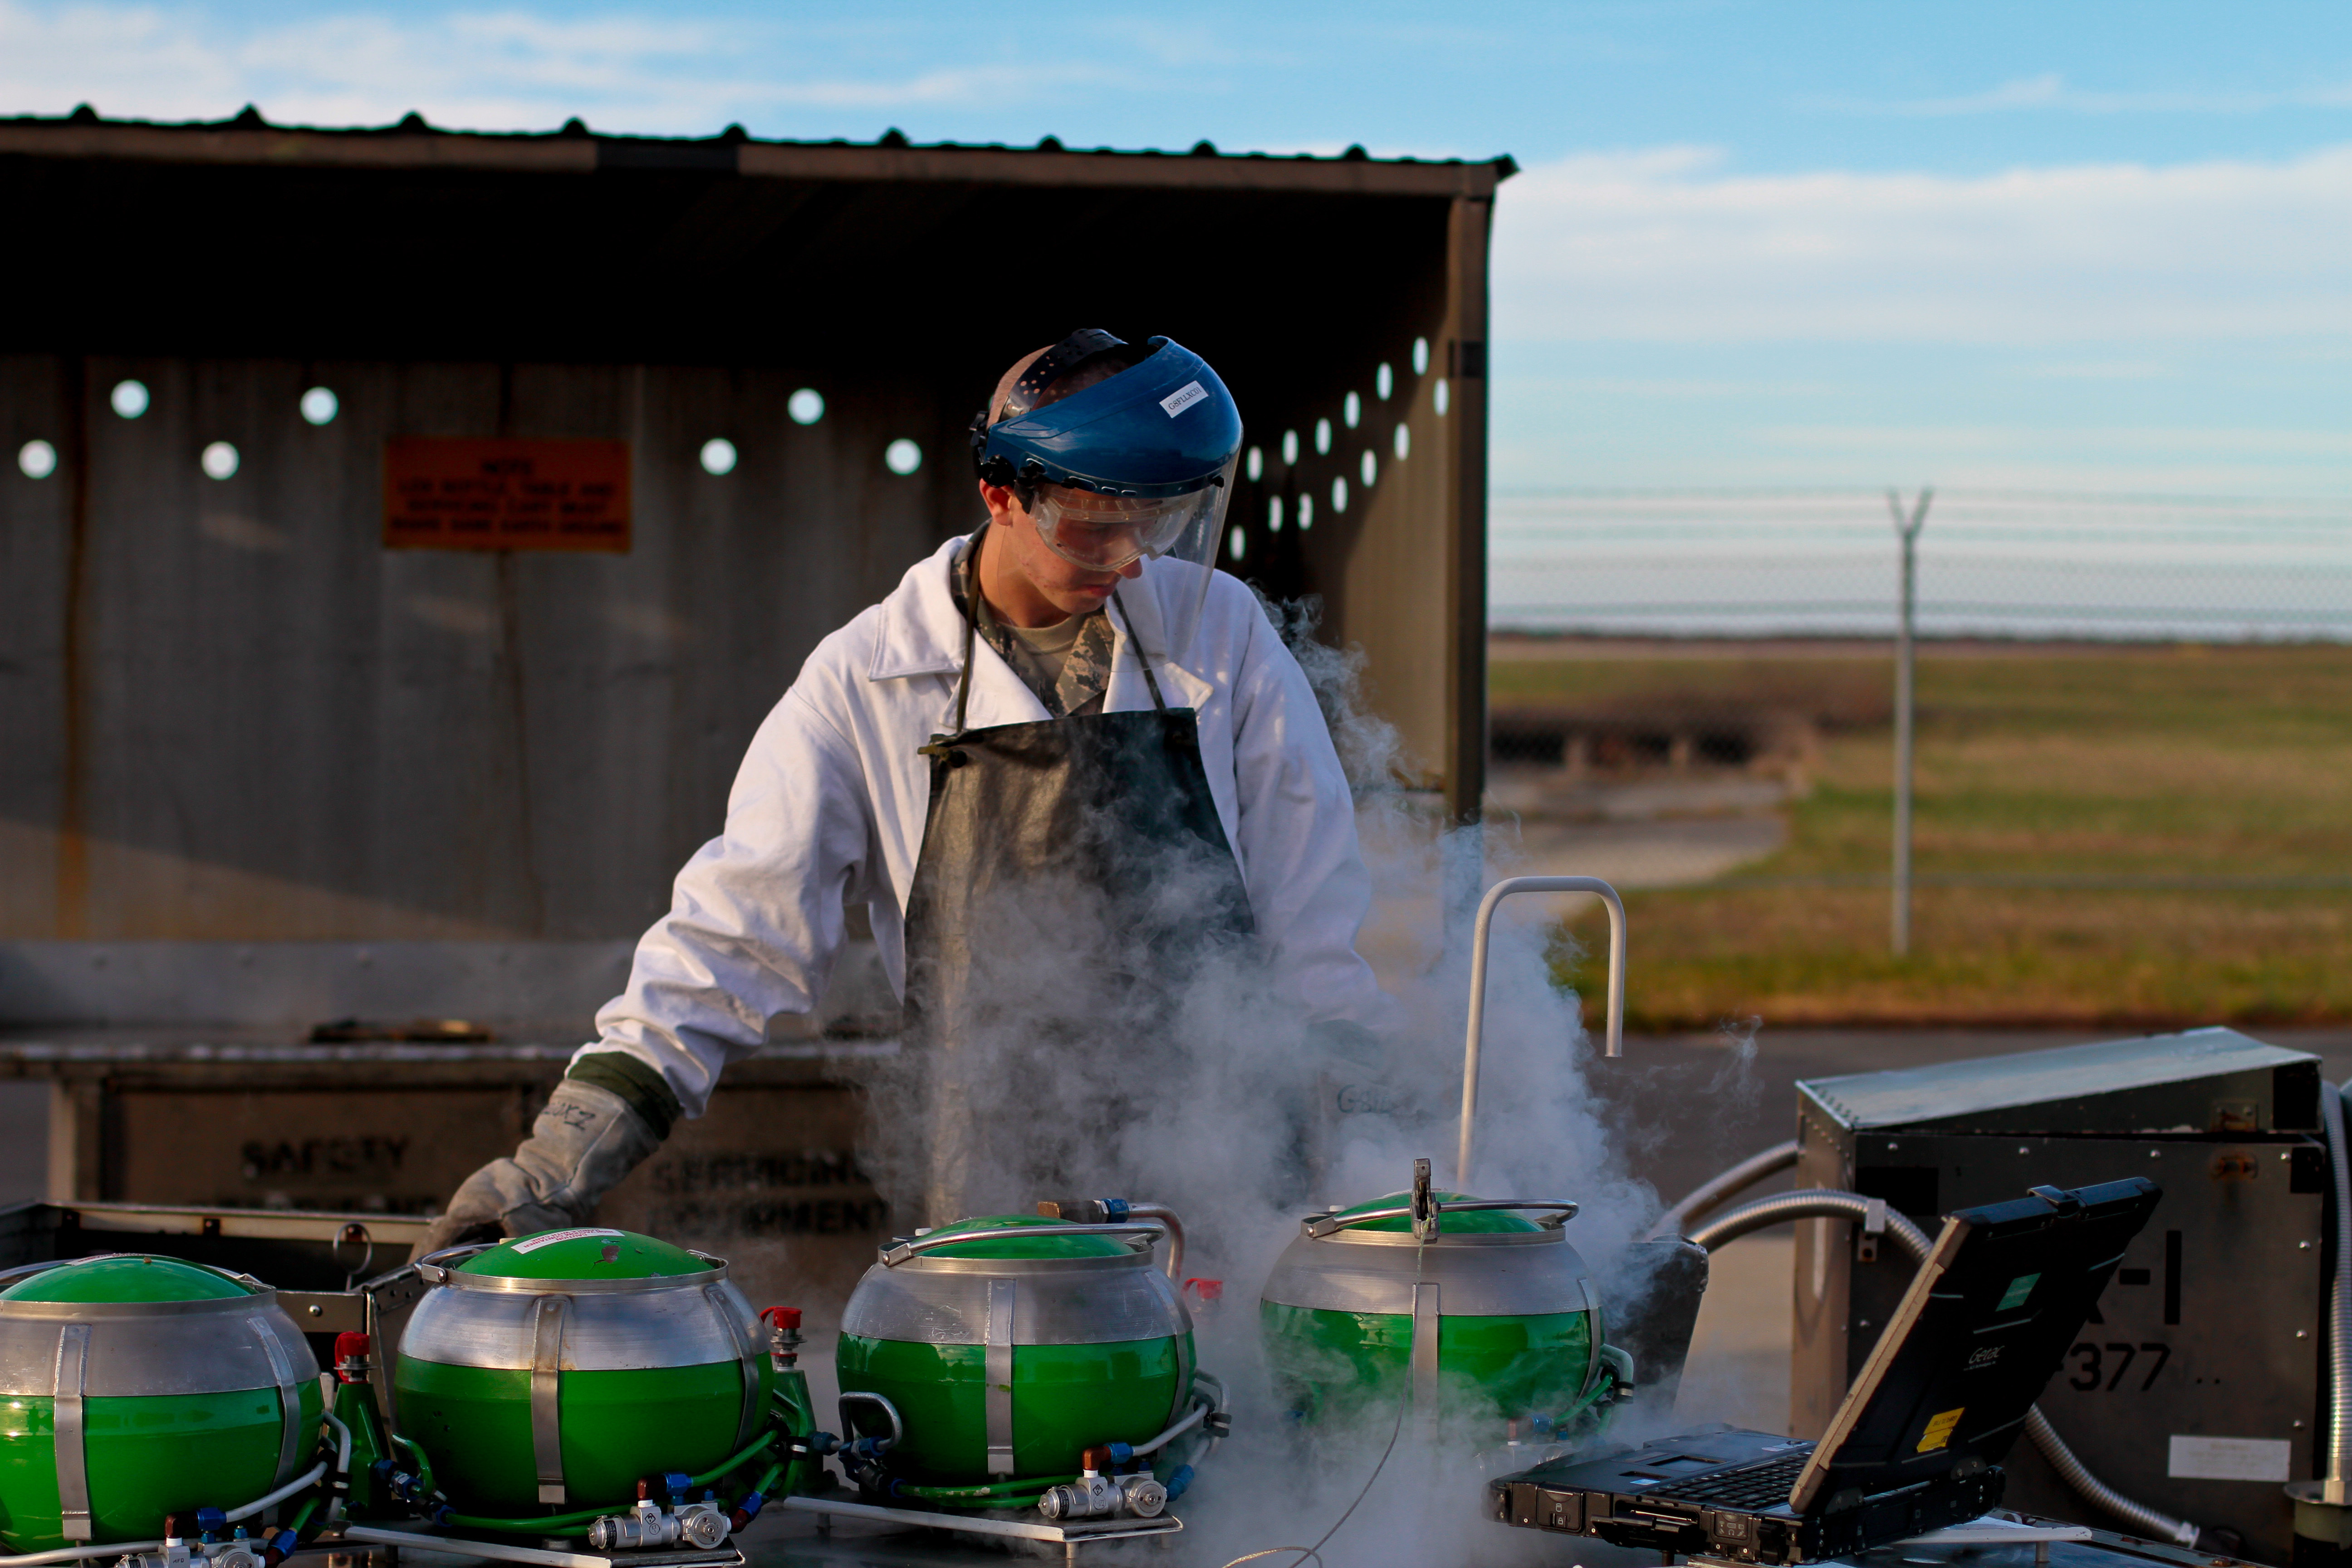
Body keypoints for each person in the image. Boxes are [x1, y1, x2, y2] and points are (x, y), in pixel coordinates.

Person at [417, 329, 1402, 1254]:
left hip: (1224, 1164)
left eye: (1162, 522)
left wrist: (1371, 1158)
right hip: (997, 1188)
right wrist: (554, 1162)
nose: (1133, 560)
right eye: (1094, 528)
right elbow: (730, 940)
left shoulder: (1216, 628)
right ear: (1001, 492)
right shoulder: (866, 680)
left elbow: (1310, 924)